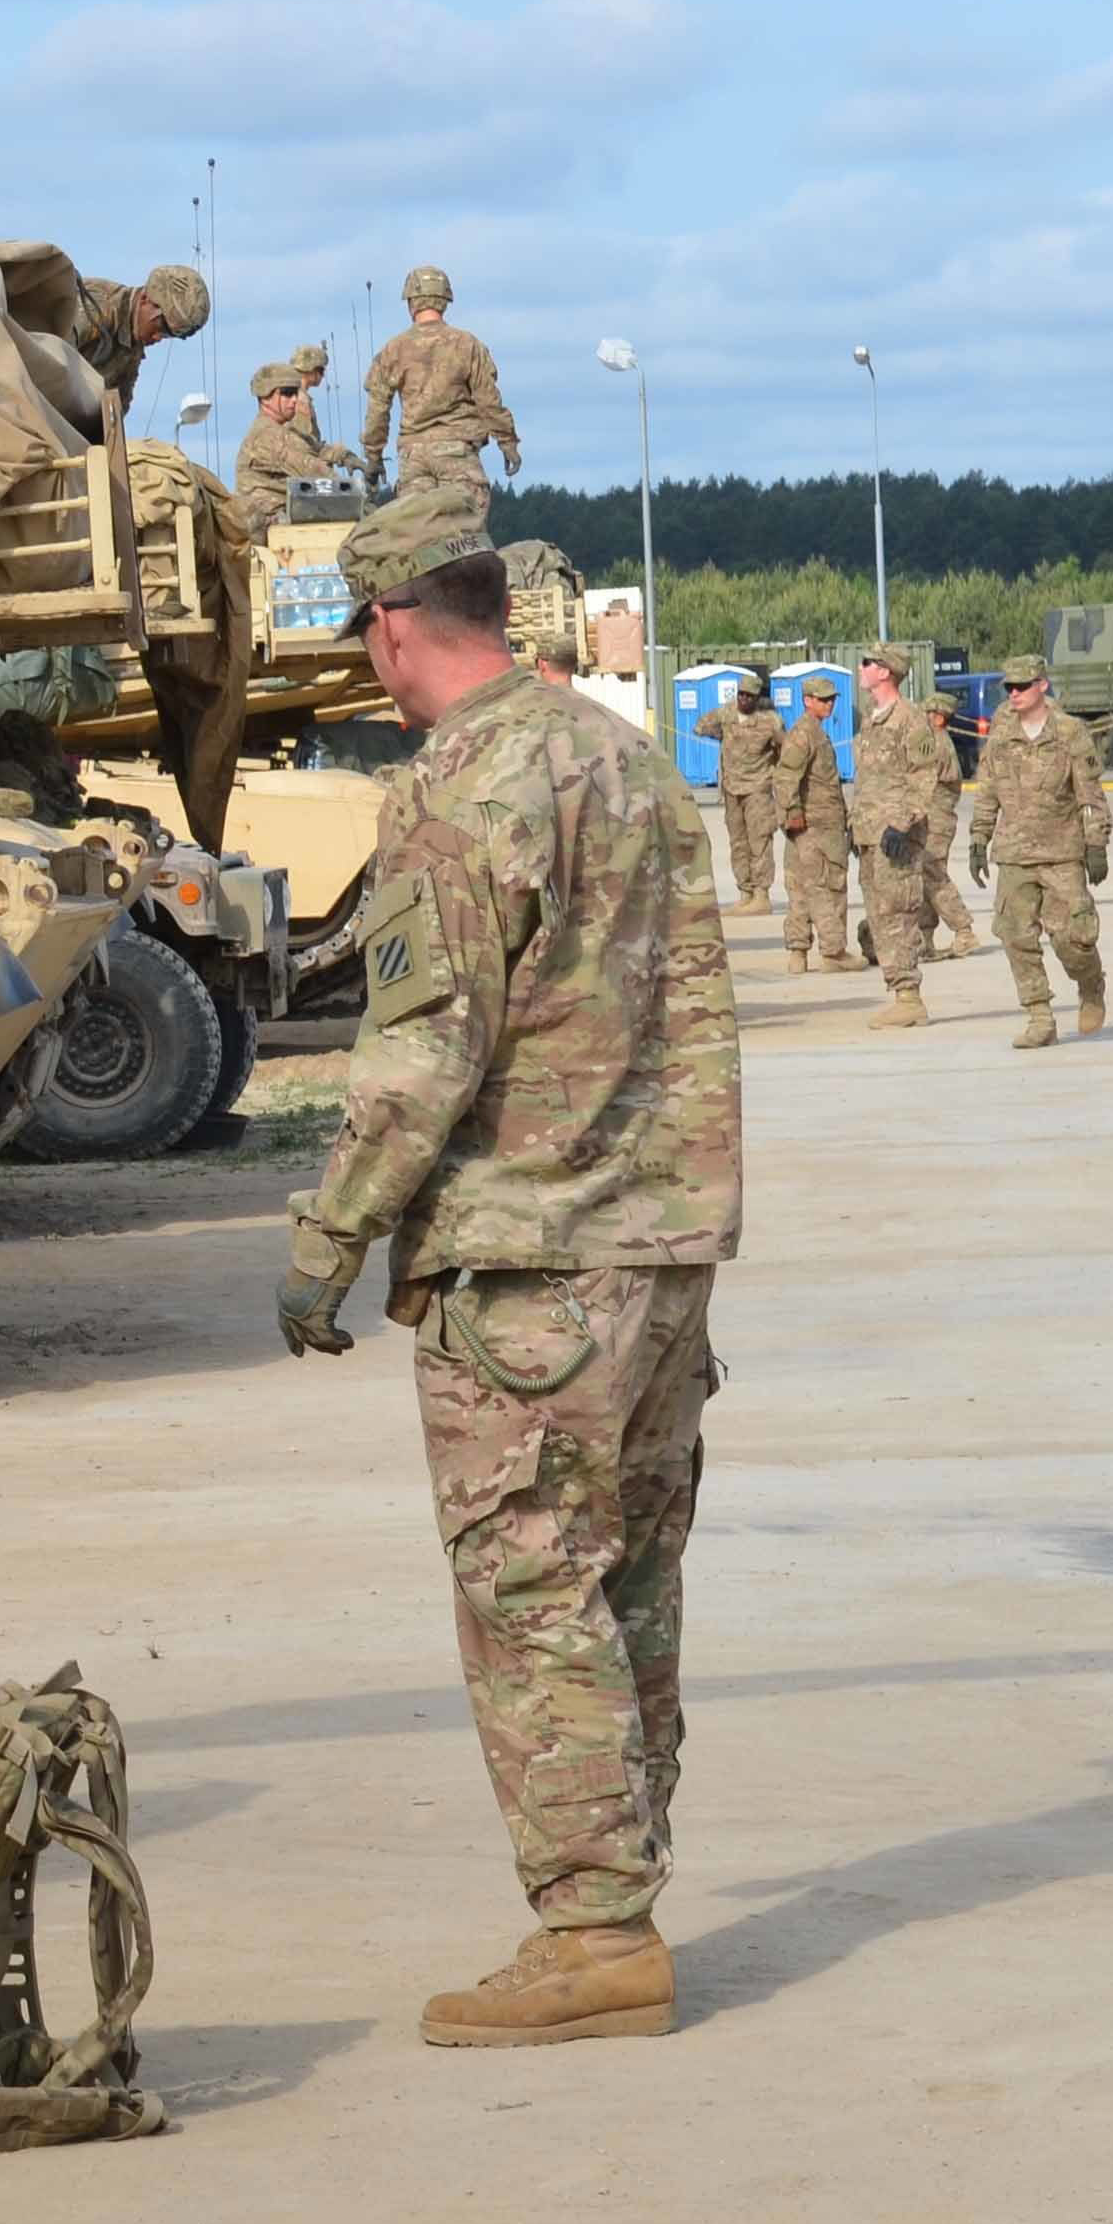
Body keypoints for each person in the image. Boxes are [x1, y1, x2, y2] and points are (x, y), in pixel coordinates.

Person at [270, 490, 740, 2048]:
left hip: (528, 1262)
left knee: (533, 1589)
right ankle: (623, 1896)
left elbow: (426, 1047)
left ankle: (597, 1933)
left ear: (392, 631)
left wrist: (333, 1232)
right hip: (662, 1245)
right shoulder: (624, 756)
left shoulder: (457, 787)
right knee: (629, 1583)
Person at [963, 652, 1113, 1048]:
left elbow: (1090, 793)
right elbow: (988, 789)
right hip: (1014, 852)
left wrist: (1096, 843)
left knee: (1073, 938)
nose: (1013, 693)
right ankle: (1039, 1016)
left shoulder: (1069, 732)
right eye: (1009, 688)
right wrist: (979, 838)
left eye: (1021, 686)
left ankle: (1090, 984)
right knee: (1015, 936)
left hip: (1061, 851)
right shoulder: (1001, 733)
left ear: (1041, 685)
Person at [846, 654, 963, 1029]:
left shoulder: (910, 719)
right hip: (869, 833)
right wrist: (853, 823)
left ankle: (909, 998)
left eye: (867, 663)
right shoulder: (872, 718)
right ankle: (899, 992)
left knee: (898, 912)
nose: (861, 669)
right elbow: (867, 779)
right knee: (879, 914)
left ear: (885, 671)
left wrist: (901, 824)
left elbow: (923, 776)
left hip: (895, 836)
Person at [361, 263, 522, 515]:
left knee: (418, 532)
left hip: (414, 460)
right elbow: (488, 401)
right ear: (444, 300)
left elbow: (377, 410)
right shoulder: (467, 345)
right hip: (457, 455)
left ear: (411, 302)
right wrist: (507, 441)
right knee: (465, 532)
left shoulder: (393, 350)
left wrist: (373, 457)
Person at [773, 681, 857, 975]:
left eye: (831, 699)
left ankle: (798, 953)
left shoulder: (814, 732)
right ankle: (834, 952)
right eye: (822, 699)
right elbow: (785, 776)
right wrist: (793, 811)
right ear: (807, 700)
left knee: (800, 887)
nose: (829, 704)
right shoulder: (805, 733)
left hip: (812, 825)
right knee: (829, 887)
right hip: (816, 826)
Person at [71, 261, 215, 432]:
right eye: (160, 327)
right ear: (145, 299)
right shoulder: (98, 309)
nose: (158, 337)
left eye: (169, 335)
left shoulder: (133, 343)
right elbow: (51, 357)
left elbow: (115, 412)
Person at [230, 345, 345, 542]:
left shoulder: (279, 431)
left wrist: (344, 456)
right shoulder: (267, 435)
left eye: (295, 393)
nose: (294, 400)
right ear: (266, 397)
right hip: (269, 528)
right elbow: (312, 470)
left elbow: (311, 448)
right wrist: (357, 496)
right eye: (287, 393)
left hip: (279, 522)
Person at [701, 679, 785, 916]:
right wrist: (722, 733)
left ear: (757, 698)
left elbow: (784, 749)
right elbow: (701, 726)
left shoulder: (770, 721)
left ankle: (761, 895)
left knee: (760, 842)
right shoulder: (726, 714)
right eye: (741, 694)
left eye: (749, 696)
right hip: (732, 790)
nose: (744, 699)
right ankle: (745, 893)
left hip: (758, 789)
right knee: (738, 844)